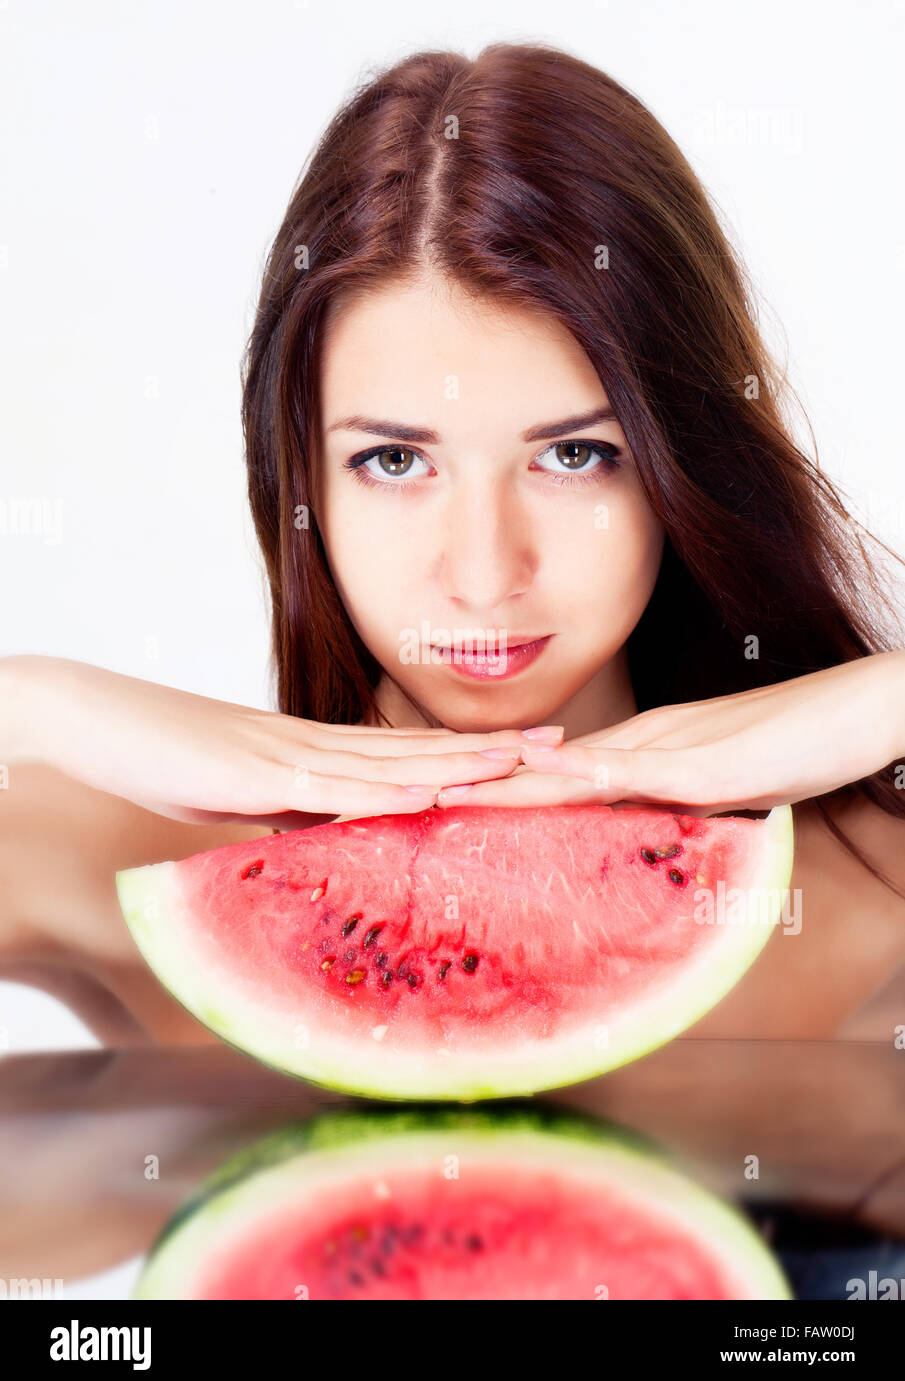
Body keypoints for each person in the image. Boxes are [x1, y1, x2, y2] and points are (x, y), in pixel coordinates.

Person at [2, 41, 904, 1051]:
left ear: (679, 461)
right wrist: (29, 701)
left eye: (572, 455)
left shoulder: (874, 893)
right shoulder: (117, 873)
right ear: (298, 475)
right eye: (393, 461)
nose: (481, 576)